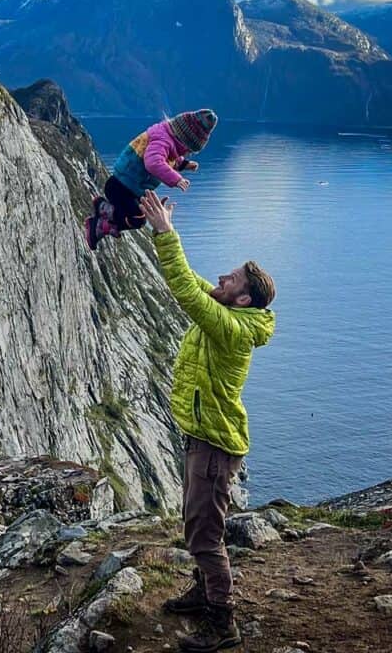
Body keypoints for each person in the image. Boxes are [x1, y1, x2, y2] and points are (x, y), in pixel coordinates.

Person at [140, 190, 276, 653]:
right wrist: (165, 235)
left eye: (231, 276)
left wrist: (166, 234)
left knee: (206, 533)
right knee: (194, 521)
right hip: (203, 438)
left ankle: (223, 623)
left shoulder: (232, 330)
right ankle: (202, 594)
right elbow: (193, 284)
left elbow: (186, 292)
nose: (222, 275)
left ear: (242, 298)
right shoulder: (227, 313)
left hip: (215, 446)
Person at [85, 109, 217, 251]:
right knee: (138, 219)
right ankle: (101, 223)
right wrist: (176, 179)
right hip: (121, 187)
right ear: (183, 140)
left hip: (126, 186)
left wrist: (184, 164)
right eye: (188, 150)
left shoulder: (166, 138)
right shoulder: (162, 141)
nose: (187, 153)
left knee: (139, 218)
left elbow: (171, 157)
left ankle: (103, 208)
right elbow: (153, 162)